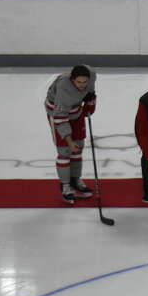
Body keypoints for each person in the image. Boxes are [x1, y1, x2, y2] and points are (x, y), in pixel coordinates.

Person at [44, 64, 97, 204]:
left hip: (75, 111)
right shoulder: (64, 88)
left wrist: (91, 102)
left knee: (78, 147)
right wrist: (69, 141)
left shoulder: (92, 75)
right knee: (65, 150)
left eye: (85, 82)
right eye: (79, 82)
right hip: (57, 112)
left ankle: (75, 180)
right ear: (72, 80)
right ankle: (65, 186)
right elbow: (60, 117)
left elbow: (90, 92)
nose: (82, 85)